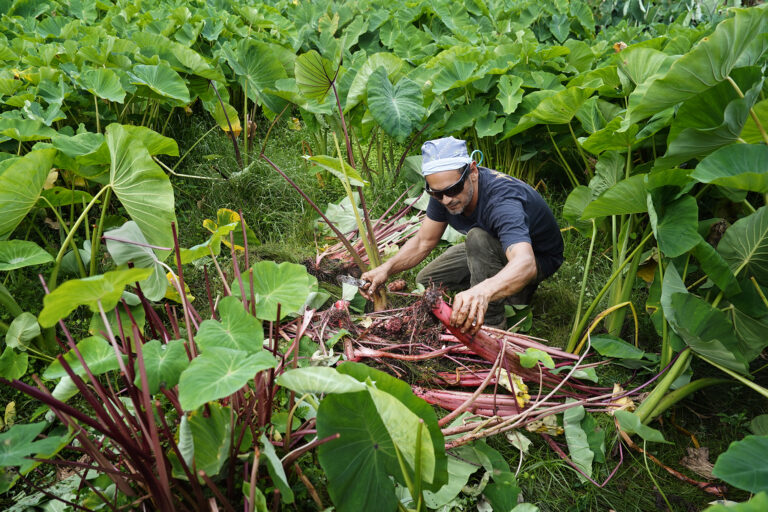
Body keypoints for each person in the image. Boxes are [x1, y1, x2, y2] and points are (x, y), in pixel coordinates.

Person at [361, 136, 563, 335]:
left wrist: (484, 291)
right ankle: (505, 290)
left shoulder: (502, 201)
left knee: (476, 237)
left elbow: (525, 263)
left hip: (537, 258)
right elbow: (423, 242)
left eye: (454, 189)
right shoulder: (443, 193)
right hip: (493, 244)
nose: (447, 200)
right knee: (428, 280)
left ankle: (491, 325)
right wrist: (386, 269)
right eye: (437, 193)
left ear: (473, 171)